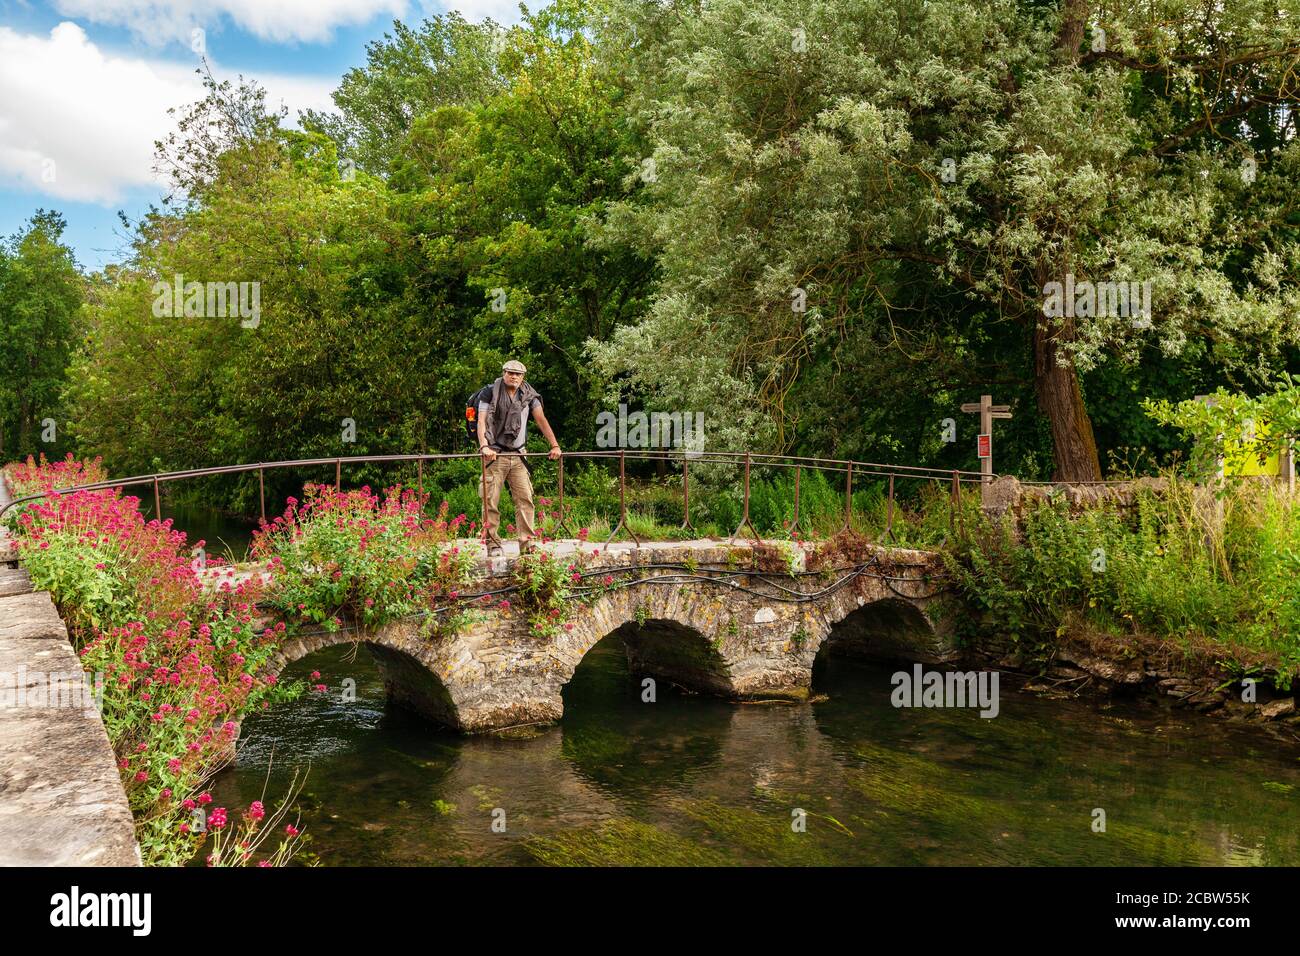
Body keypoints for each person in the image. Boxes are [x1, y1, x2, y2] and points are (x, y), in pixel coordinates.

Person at [476, 359, 562, 555]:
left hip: (518, 455)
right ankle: (494, 545)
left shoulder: (530, 396)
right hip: (494, 455)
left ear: (523, 377)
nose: (514, 376)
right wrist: (484, 446)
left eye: (518, 374)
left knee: (525, 500)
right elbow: (481, 421)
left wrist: (554, 445)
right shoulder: (489, 392)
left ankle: (528, 546)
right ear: (504, 373)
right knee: (490, 501)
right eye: (510, 373)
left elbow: (541, 420)